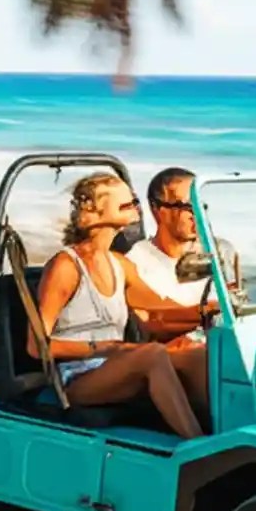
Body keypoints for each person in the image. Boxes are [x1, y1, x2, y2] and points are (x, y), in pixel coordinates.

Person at [27, 172, 212, 438]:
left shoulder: (119, 264)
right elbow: (36, 346)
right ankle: (197, 444)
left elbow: (162, 308)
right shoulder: (66, 266)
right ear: (93, 212)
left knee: (199, 356)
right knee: (153, 355)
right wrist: (106, 347)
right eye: (126, 204)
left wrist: (211, 308)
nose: (136, 207)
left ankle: (225, 436)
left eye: (135, 201)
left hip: (116, 363)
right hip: (77, 378)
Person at [125, 167, 231, 345]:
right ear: (157, 210)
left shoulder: (219, 252)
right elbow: (151, 323)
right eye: (186, 206)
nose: (196, 214)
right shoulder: (135, 262)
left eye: (199, 206)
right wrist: (209, 311)